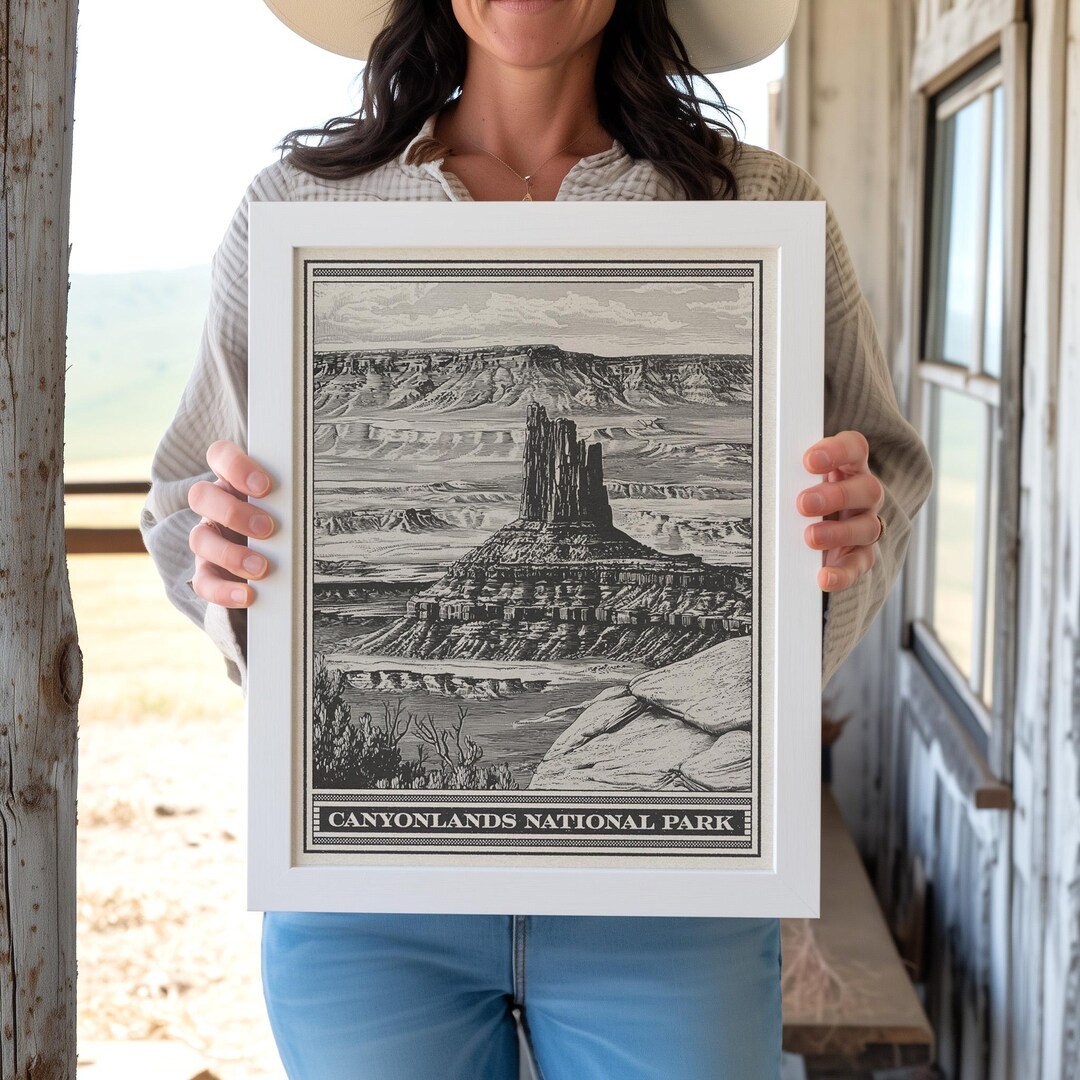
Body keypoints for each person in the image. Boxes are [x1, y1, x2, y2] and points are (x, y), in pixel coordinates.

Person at [140, 1, 933, 1077]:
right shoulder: (299, 209)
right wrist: (229, 567)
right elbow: (187, 493)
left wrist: (835, 550)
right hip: (370, 904)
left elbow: (882, 472)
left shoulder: (759, 207)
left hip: (670, 901)